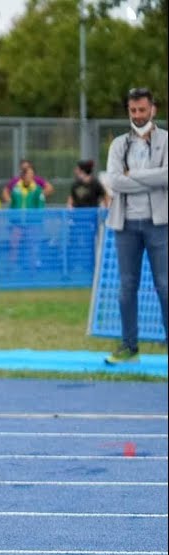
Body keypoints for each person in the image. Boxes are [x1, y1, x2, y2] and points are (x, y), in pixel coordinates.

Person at [104, 87, 168, 364]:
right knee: (127, 287)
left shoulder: (166, 140)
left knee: (165, 286)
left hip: (159, 223)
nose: (138, 115)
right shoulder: (119, 144)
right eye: (133, 110)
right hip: (125, 225)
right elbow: (115, 181)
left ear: (152, 109)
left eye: (143, 110)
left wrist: (136, 175)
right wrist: (150, 178)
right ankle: (129, 347)